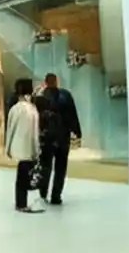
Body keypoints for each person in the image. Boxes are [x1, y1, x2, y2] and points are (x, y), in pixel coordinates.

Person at [40, 73, 81, 205]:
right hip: (63, 138)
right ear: (57, 82)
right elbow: (73, 114)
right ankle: (56, 196)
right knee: (60, 168)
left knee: (45, 166)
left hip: (47, 139)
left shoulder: (40, 97)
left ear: (45, 82)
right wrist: (77, 131)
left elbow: (37, 118)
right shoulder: (66, 95)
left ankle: (43, 193)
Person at [5, 79, 43, 214]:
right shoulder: (32, 109)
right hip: (29, 148)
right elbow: (35, 132)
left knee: (21, 176)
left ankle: (20, 202)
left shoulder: (14, 109)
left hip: (17, 147)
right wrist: (36, 149)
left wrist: (7, 148)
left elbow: (10, 129)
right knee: (26, 176)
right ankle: (23, 203)